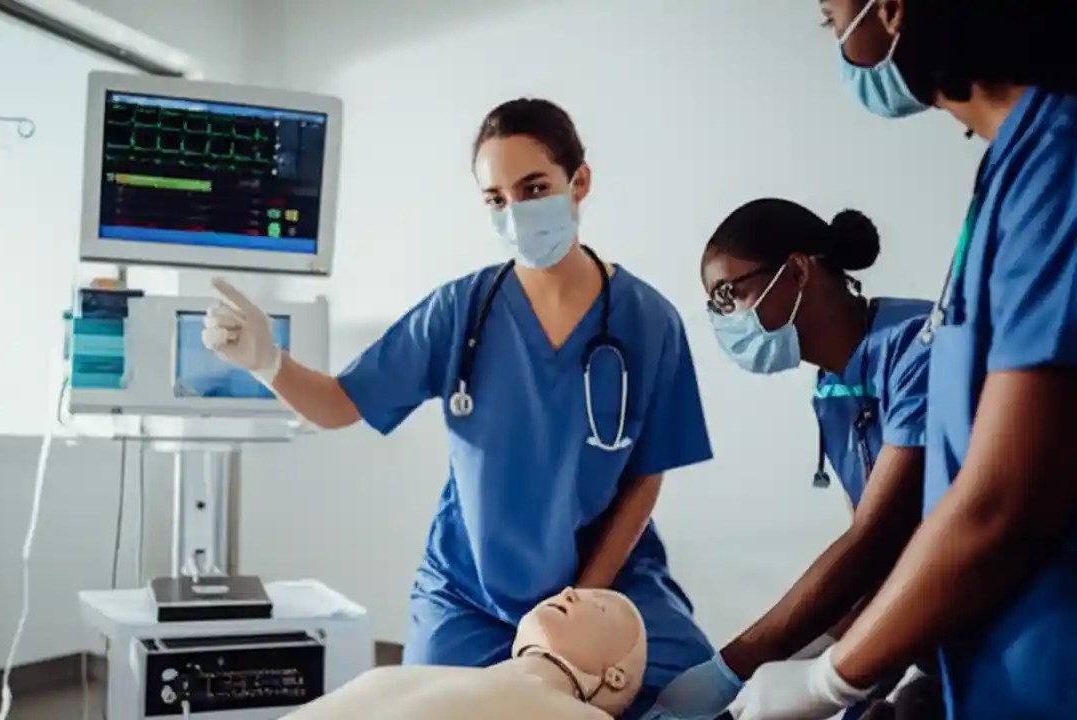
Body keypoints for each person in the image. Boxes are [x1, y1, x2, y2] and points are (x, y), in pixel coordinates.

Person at [202, 98, 715, 716]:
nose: (516, 211)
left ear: (579, 183)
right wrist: (268, 362)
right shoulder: (461, 312)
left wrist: (583, 602)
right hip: (472, 590)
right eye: (496, 198)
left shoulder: (646, 320)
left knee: (690, 698)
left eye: (534, 188)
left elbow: (645, 475)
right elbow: (340, 404)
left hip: (605, 582)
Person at [726, 1, 1077, 718]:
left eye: (833, 18)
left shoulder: (1059, 160)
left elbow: (1000, 499)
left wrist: (831, 676)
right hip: (988, 668)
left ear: (889, 8)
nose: (843, 46)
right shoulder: (1006, 176)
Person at [644, 200, 942, 720]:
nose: (724, 317)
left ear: (798, 269)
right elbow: (871, 578)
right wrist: (815, 664)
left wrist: (732, 669)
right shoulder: (834, 388)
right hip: (921, 614)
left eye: (728, 294)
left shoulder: (918, 348)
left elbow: (875, 541)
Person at [288, 587, 647, 719]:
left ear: (615, 676)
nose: (568, 592)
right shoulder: (436, 676)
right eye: (573, 591)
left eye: (599, 606)